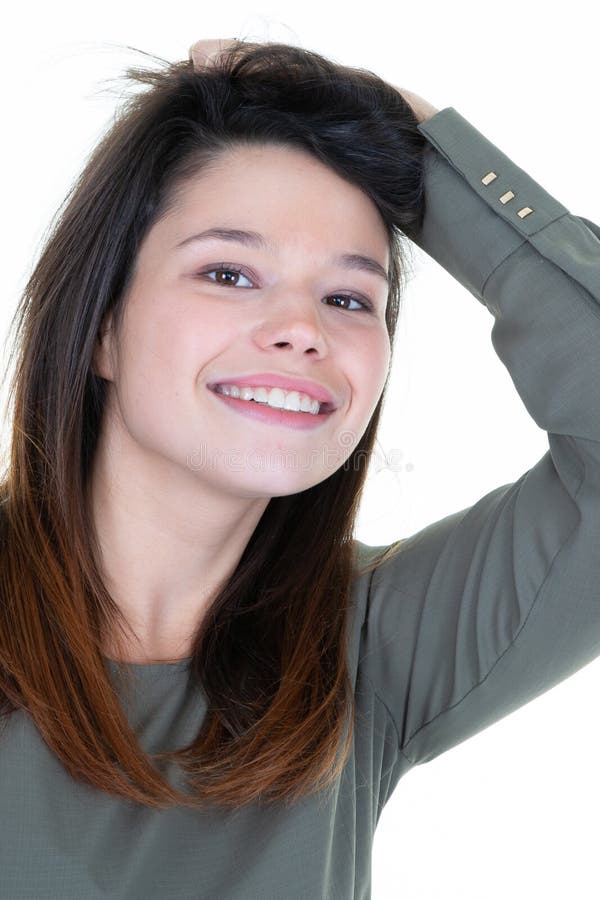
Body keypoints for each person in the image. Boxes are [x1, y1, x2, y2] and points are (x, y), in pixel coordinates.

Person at [0, 36, 598, 899]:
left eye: (349, 297)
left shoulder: (367, 651)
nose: (302, 328)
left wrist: (415, 146)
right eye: (231, 272)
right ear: (101, 327)